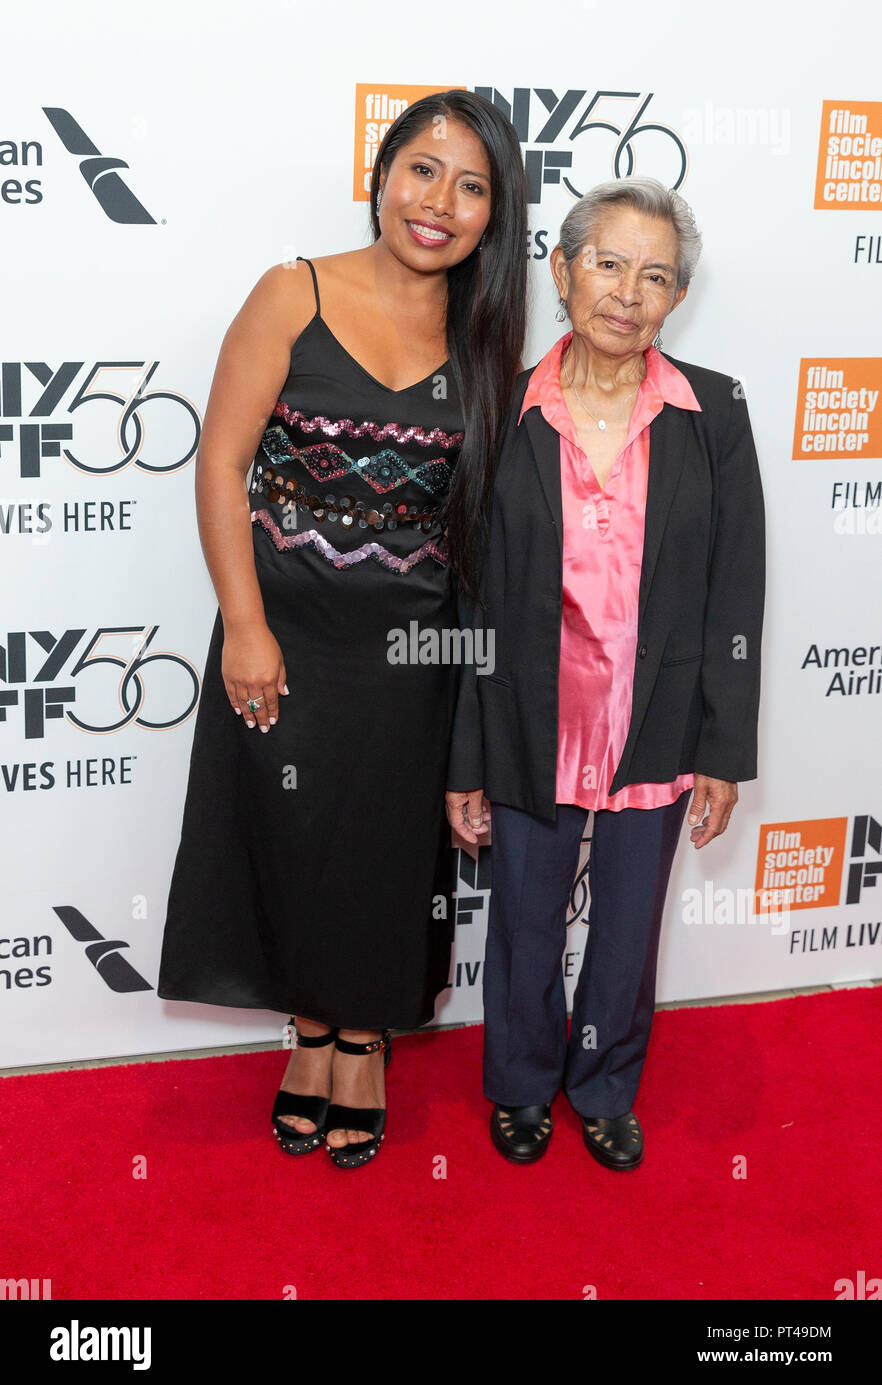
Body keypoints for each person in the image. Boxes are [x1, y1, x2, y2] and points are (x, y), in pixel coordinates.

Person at [158, 91, 526, 1169]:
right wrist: (243, 624)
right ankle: (307, 1032)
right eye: (424, 170)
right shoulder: (292, 293)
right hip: (282, 636)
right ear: (382, 175)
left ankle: (361, 1040)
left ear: (492, 217)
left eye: (471, 187)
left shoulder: (486, 341)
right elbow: (221, 463)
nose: (440, 202)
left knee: (383, 856)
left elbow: (475, 542)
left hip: (414, 655)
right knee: (283, 838)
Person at [446, 176, 765, 1169]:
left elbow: (734, 589)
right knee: (525, 925)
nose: (628, 291)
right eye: (609, 262)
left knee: (628, 935)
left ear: (678, 297)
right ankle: (521, 1085)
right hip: (530, 725)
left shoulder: (715, 410)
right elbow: (467, 605)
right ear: (562, 269)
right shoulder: (500, 408)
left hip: (658, 725)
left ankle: (606, 1084)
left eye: (656, 274)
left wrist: (723, 748)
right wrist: (465, 756)